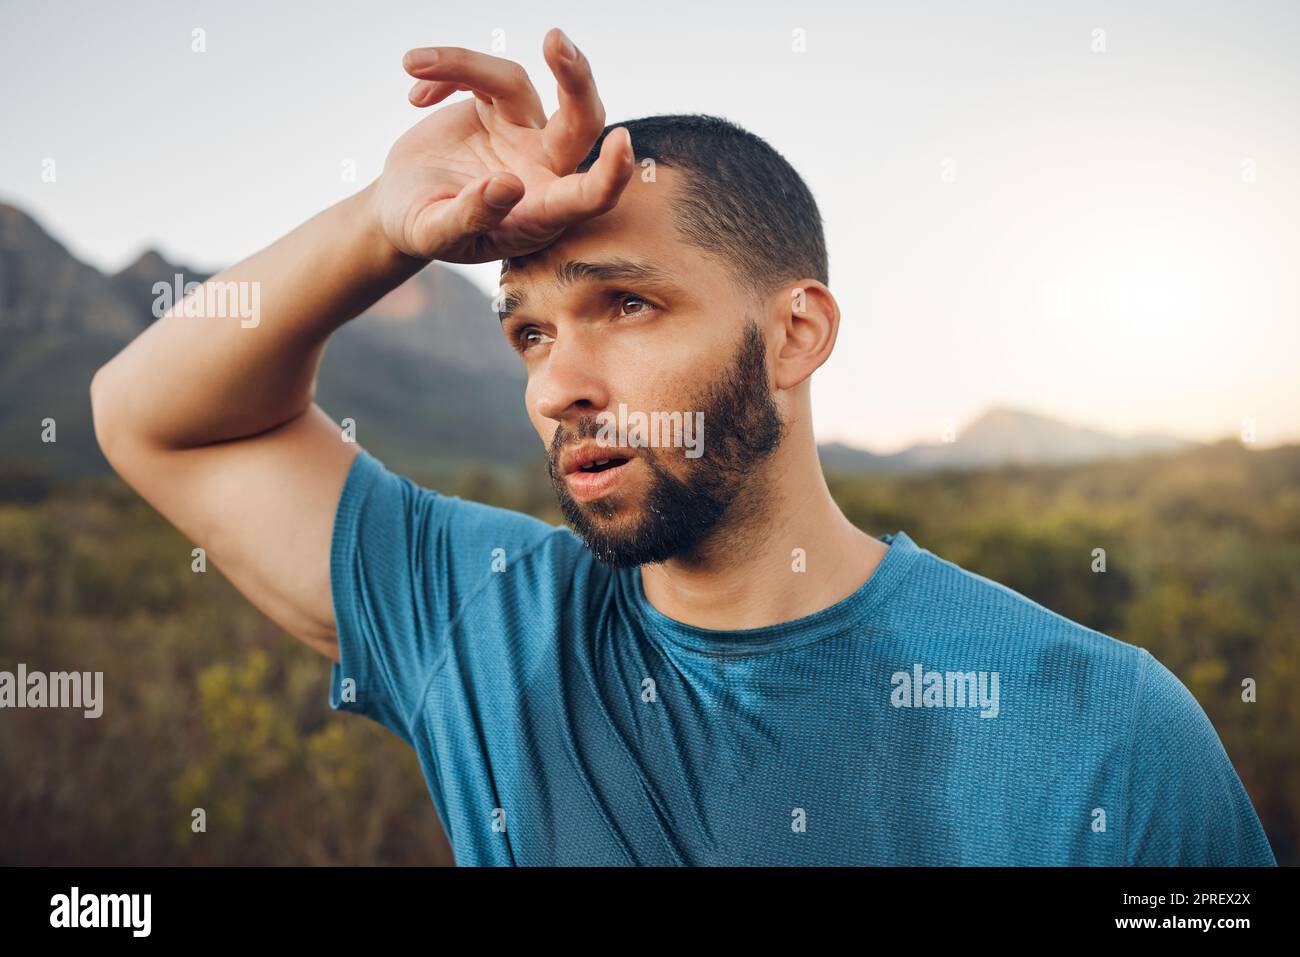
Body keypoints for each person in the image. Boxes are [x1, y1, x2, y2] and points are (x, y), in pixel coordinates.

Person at [90, 27, 1276, 866]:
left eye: (626, 307)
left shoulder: (1101, 731)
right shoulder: (485, 623)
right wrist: (378, 227)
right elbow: (151, 415)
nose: (558, 384)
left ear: (794, 333)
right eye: (529, 334)